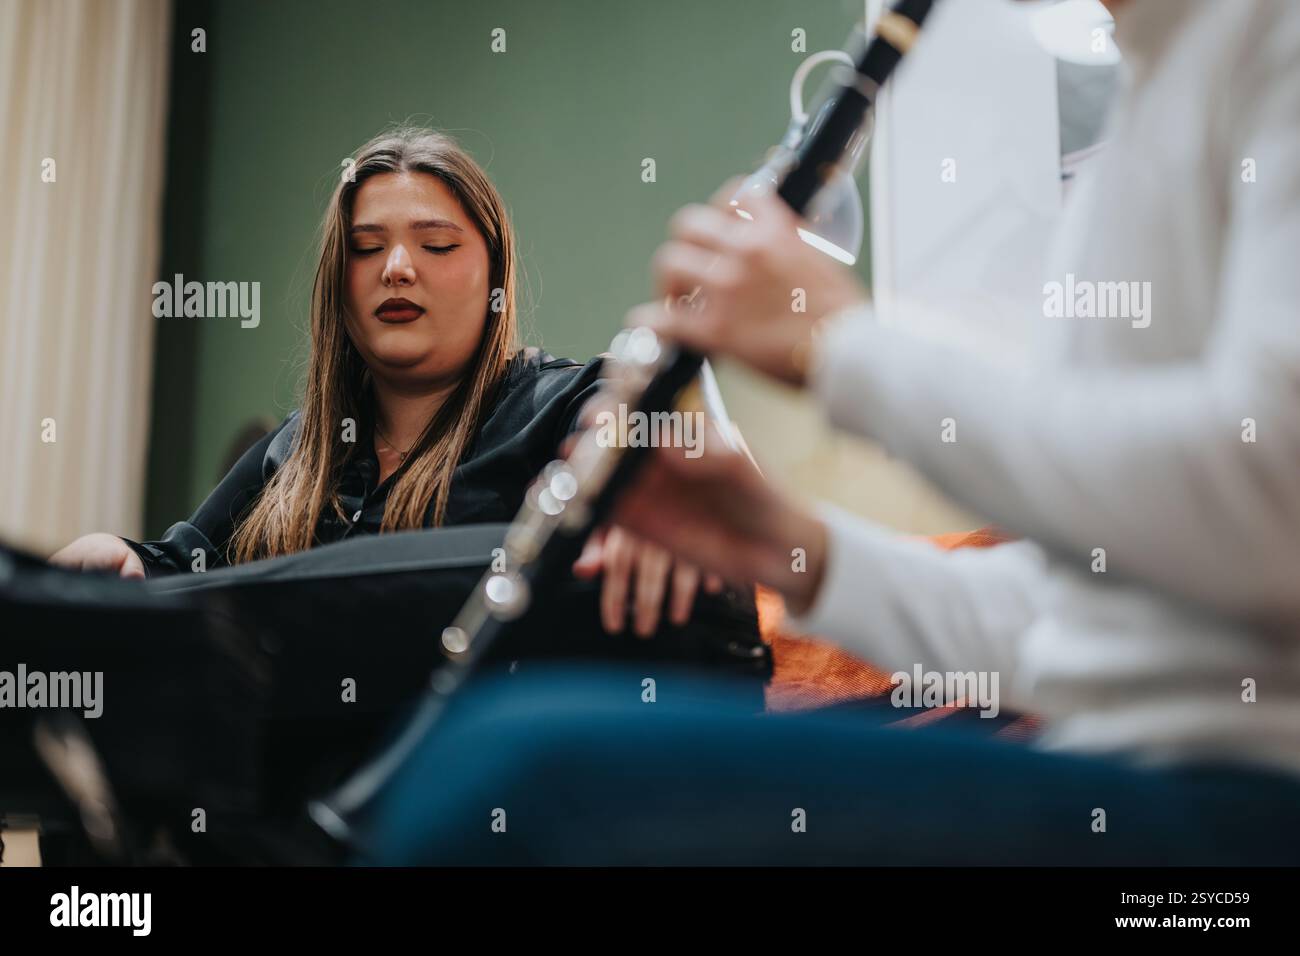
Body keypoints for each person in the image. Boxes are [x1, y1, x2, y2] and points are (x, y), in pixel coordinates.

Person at [360, 0, 1300, 864]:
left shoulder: (1268, 37)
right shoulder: (1147, 106)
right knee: (489, 761)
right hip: (1130, 773)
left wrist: (842, 349)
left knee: (511, 780)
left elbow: (1271, 503)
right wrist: (782, 542)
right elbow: (1077, 624)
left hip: (1242, 811)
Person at [49, 127, 712, 637]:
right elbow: (182, 562)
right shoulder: (292, 451)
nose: (396, 268)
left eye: (438, 245)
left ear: (494, 282)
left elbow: (654, 433)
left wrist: (650, 498)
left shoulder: (559, 401)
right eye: (366, 248)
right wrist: (117, 554)